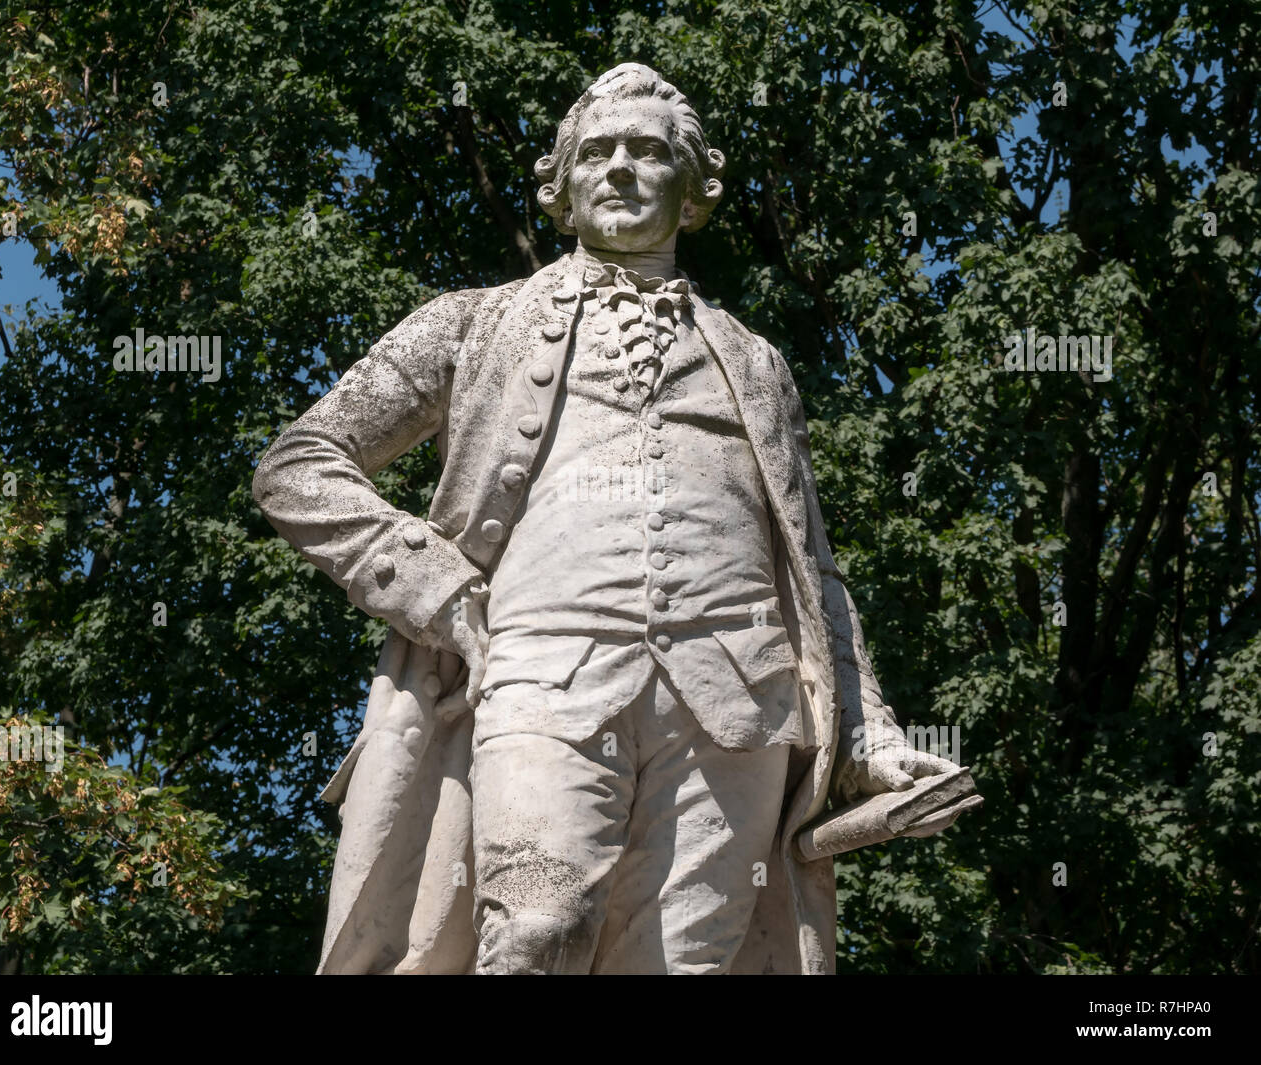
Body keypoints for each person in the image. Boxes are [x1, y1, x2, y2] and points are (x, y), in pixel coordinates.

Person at [253, 62, 957, 975]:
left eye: (649, 151)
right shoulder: (474, 325)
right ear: (562, 186)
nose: (621, 167)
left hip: (737, 700)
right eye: (598, 151)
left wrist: (870, 736)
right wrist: (436, 586)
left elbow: (810, 568)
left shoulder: (756, 361)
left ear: (694, 187)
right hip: (542, 668)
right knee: (536, 929)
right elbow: (298, 466)